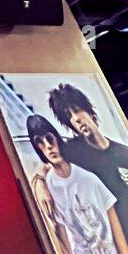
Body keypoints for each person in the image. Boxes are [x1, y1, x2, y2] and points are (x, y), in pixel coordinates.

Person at [27, 114, 128, 254]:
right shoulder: (49, 188)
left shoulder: (89, 178)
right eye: (39, 143)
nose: (48, 146)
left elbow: (119, 238)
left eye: (49, 138)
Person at [49, 83, 128, 235]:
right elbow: (49, 164)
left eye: (77, 111)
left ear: (91, 113)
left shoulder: (123, 153)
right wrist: (39, 183)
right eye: (69, 116)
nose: (76, 119)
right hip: (108, 237)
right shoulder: (72, 151)